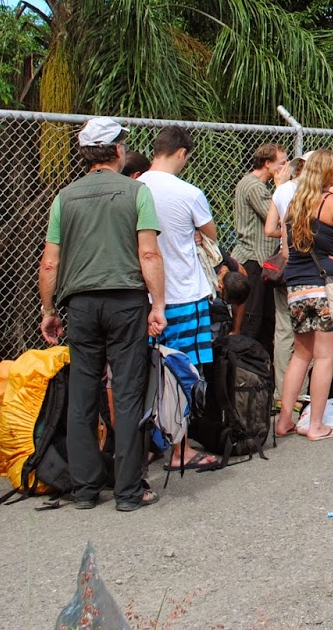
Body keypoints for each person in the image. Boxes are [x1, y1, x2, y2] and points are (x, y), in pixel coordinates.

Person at [38, 117, 165, 513]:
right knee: (126, 393)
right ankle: (127, 491)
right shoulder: (137, 192)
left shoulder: (64, 197)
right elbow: (148, 253)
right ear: (117, 150)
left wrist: (48, 309)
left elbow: (50, 262)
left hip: (80, 304)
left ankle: (85, 489)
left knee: (82, 394)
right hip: (125, 300)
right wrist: (158, 305)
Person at [138, 126, 221, 471]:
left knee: (146, 373)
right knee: (184, 372)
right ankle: (180, 449)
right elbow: (210, 233)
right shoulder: (188, 192)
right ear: (182, 153)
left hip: (144, 296)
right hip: (184, 293)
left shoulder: (135, 187)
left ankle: (148, 444)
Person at [274, 149, 333, 441]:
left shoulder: (294, 203)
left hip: (296, 287)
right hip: (324, 286)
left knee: (301, 354)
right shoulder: (331, 201)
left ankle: (284, 420)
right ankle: (315, 425)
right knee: (324, 356)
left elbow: (286, 250)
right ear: (329, 173)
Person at [232, 143, 286, 344]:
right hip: (254, 259)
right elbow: (276, 217)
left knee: (265, 318)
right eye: (281, 163)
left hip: (260, 259)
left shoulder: (257, 185)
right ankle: (246, 357)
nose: (285, 168)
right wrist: (281, 188)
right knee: (253, 318)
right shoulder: (254, 186)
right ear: (267, 163)